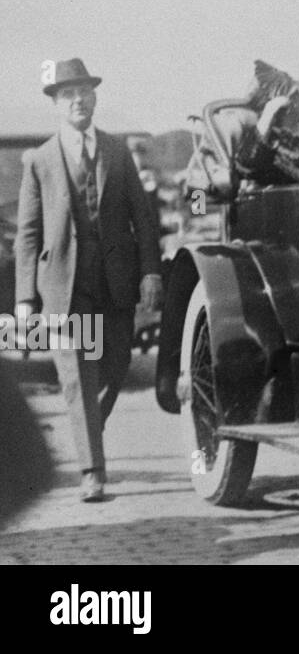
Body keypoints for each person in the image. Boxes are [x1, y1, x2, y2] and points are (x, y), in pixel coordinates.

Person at [14, 59, 163, 502]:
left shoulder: (117, 150)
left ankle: (84, 432)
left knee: (115, 366)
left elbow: (143, 216)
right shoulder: (39, 159)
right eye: (68, 95)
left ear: (95, 97)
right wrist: (25, 296)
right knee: (76, 376)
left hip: (114, 279)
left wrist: (151, 269)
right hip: (62, 282)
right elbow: (28, 231)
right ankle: (92, 470)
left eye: (85, 92)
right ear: (57, 105)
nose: (79, 100)